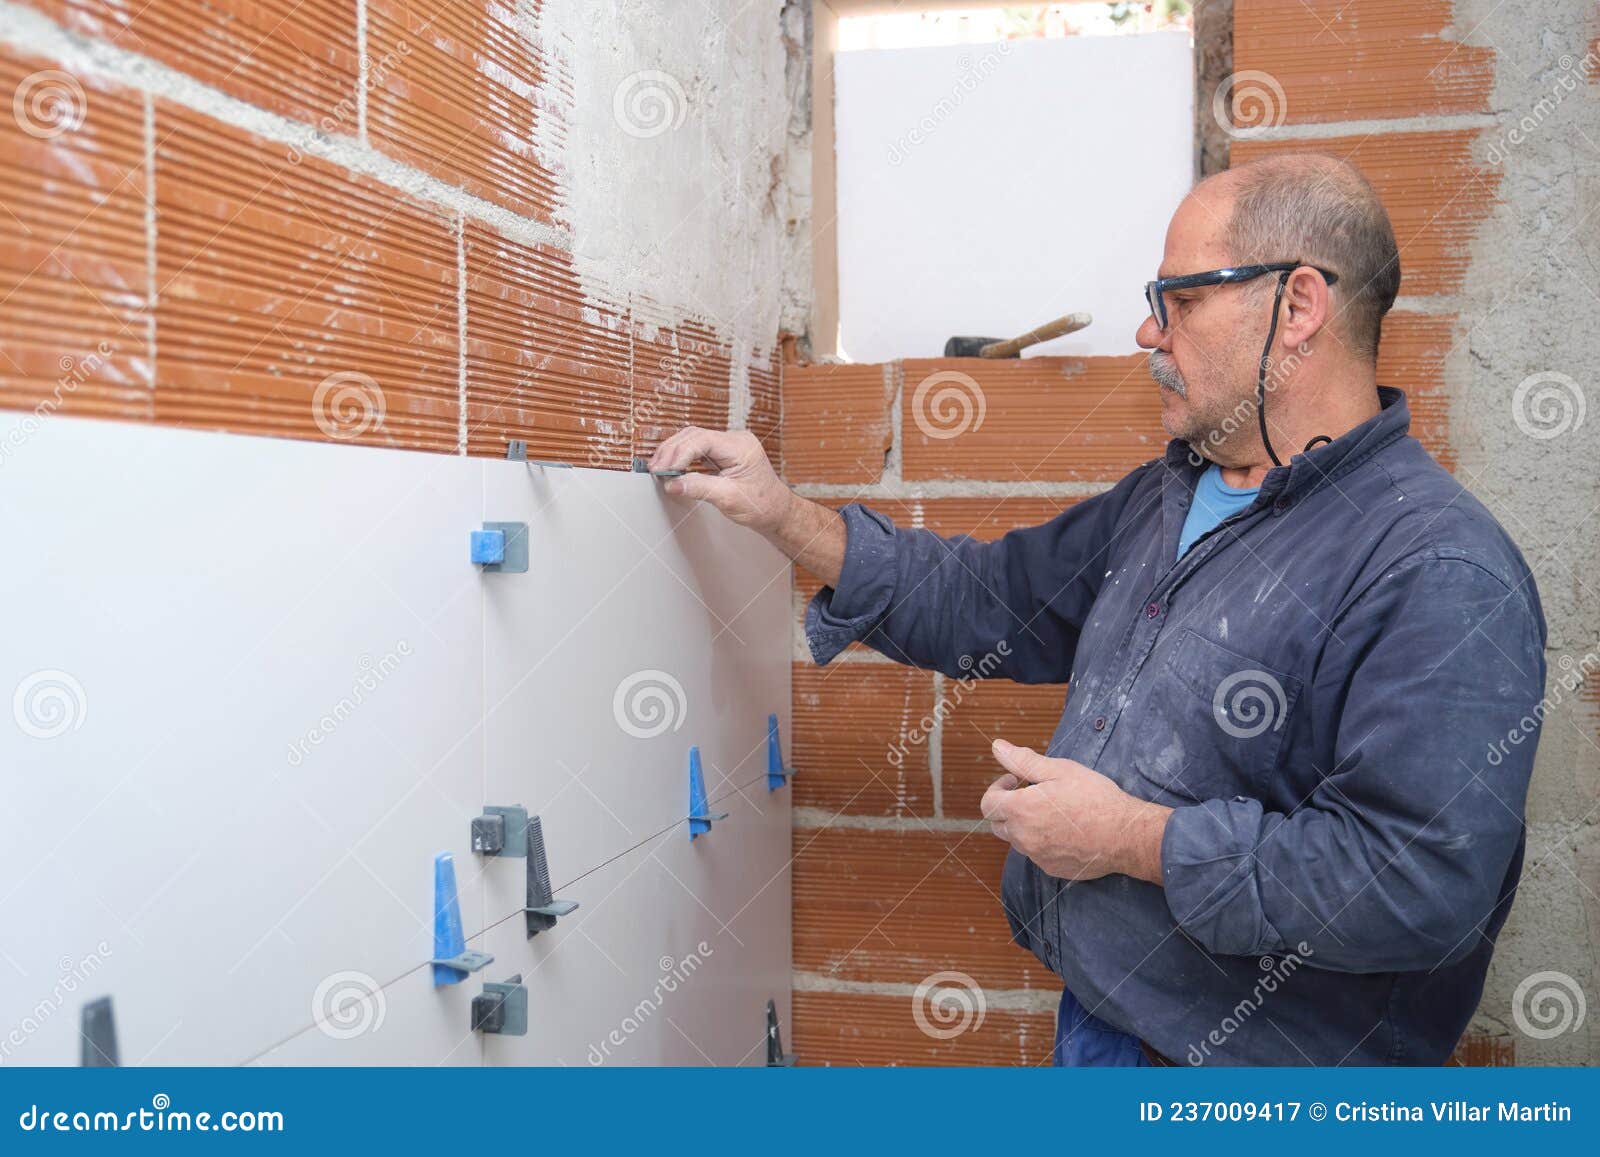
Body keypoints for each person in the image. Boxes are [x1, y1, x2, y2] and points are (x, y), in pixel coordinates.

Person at [648, 154, 1547, 1066]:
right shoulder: (1168, 498)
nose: (1147, 330)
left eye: (1182, 299)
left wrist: (1130, 838)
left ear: (1299, 305)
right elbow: (985, 602)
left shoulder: (1437, 567)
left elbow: (1417, 883)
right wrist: (782, 515)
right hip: (1104, 1024)